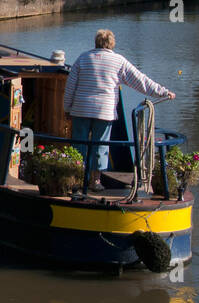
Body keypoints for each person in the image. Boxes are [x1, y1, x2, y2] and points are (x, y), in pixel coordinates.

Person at [64, 29, 174, 193]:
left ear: (96, 42)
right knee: (100, 146)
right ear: (112, 43)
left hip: (81, 108)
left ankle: (76, 180)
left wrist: (67, 108)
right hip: (104, 111)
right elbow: (140, 81)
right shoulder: (118, 61)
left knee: (79, 144)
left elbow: (70, 87)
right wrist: (163, 92)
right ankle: (95, 181)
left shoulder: (83, 58)